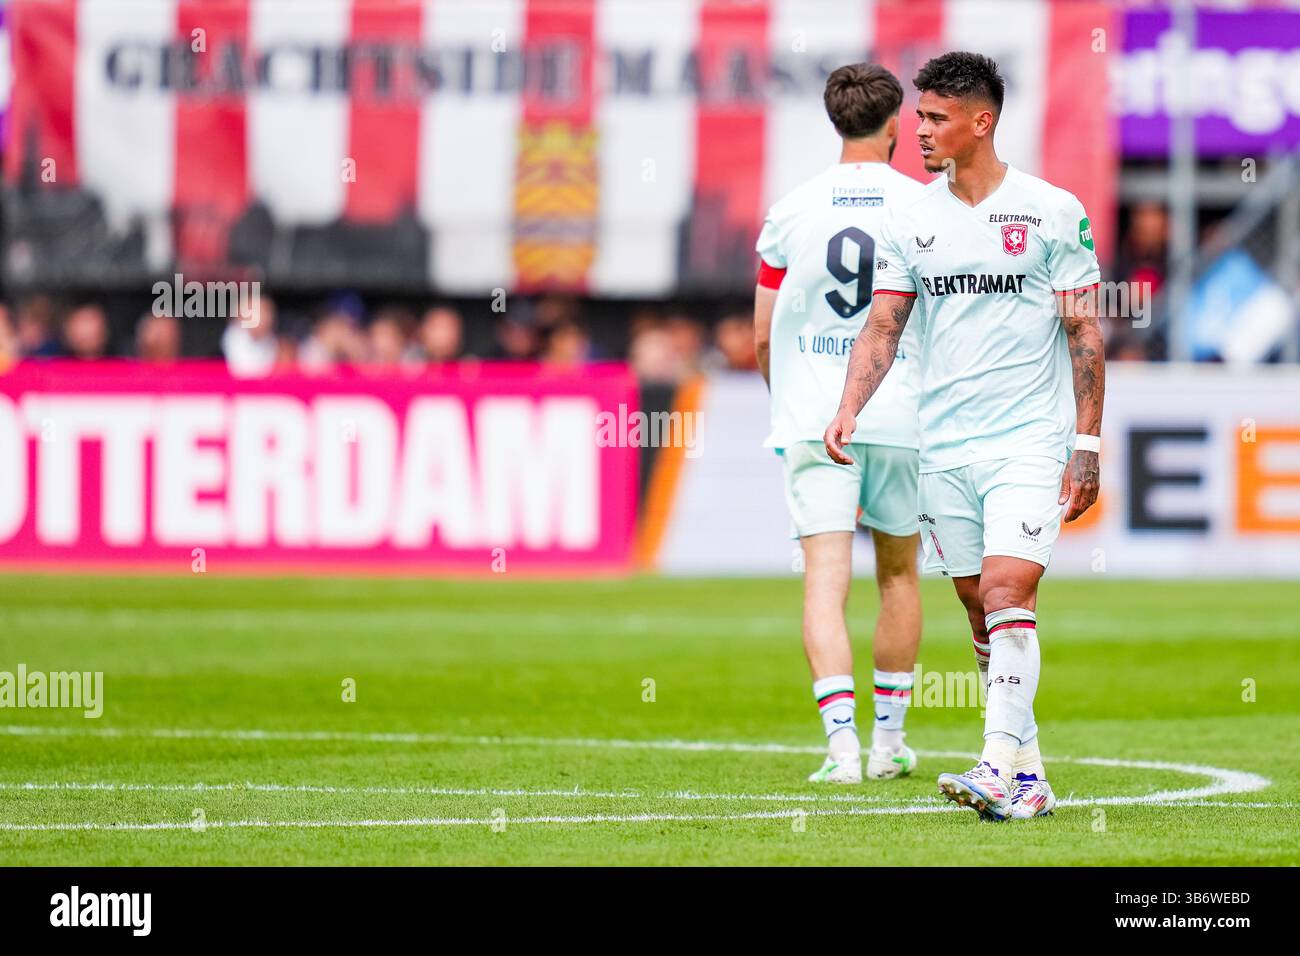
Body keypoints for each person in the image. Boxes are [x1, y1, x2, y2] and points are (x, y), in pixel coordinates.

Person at [824, 52, 1104, 820]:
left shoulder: (1050, 210)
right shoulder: (911, 216)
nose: (918, 131)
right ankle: (1029, 776)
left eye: (935, 118)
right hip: (942, 444)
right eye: (917, 116)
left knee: (1012, 593)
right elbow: (885, 321)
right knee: (982, 610)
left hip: (1027, 440)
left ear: (981, 123)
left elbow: (1083, 327)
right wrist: (850, 405)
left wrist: (1086, 445)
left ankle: (990, 764)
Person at [754, 62, 926, 785]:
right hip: (900, 411)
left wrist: (790, 393)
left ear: (835, 123)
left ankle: (842, 752)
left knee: (825, 582)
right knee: (899, 575)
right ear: (896, 126)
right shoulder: (925, 207)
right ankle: (888, 745)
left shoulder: (791, 209)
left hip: (816, 416)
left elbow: (762, 336)